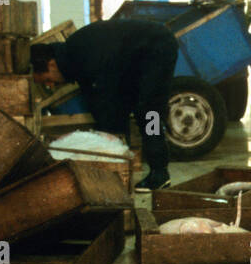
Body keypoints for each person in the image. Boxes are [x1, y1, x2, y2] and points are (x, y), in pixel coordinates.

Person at [32, 17, 179, 189]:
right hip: (138, 57)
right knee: (131, 110)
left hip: (158, 47)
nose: (50, 85)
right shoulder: (75, 57)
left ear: (51, 64)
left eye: (47, 80)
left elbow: (110, 104)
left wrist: (113, 145)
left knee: (149, 112)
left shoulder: (83, 56)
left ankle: (160, 174)